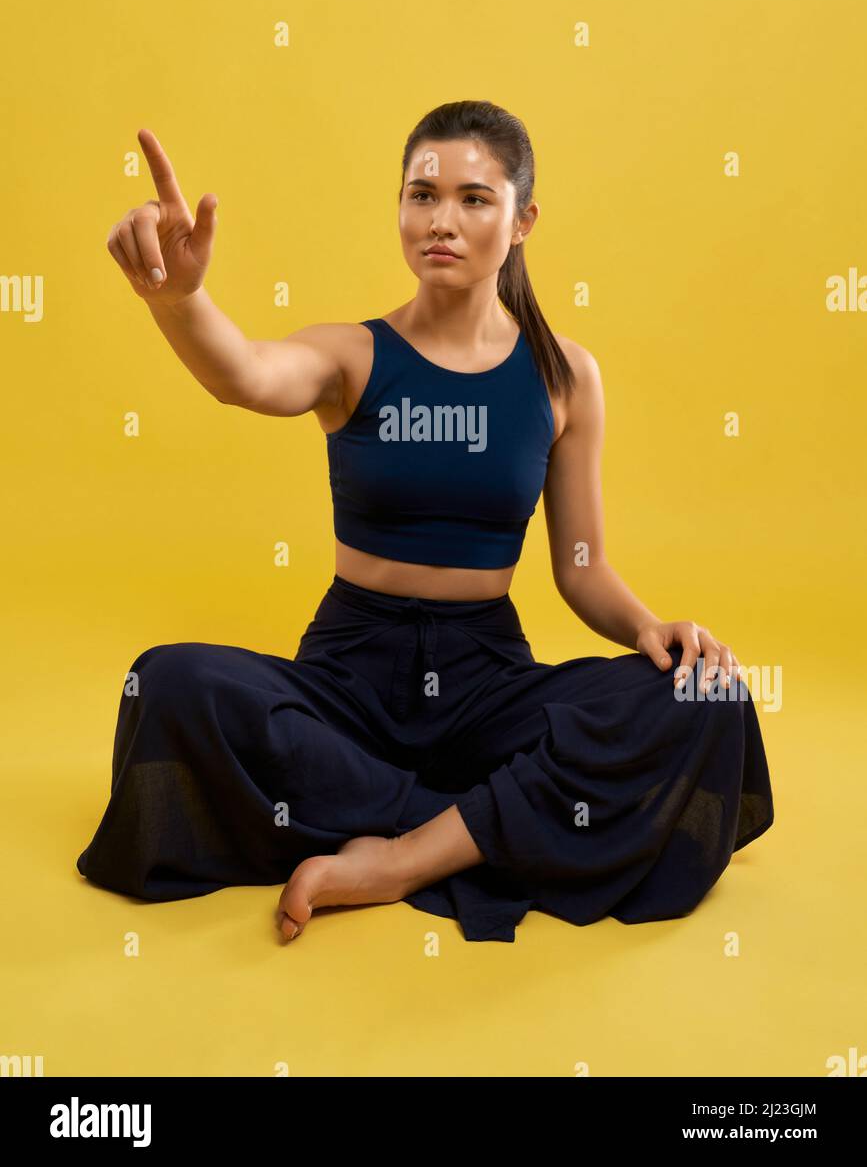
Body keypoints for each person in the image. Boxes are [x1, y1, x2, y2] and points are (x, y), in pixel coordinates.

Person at [77, 100, 774, 944]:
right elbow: (246, 376)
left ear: (522, 221)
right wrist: (177, 300)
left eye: (474, 198)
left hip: (487, 683)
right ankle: (485, 827)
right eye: (421, 194)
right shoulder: (351, 356)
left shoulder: (564, 376)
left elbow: (581, 565)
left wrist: (651, 629)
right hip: (347, 682)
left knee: (708, 692)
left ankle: (398, 857)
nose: (441, 220)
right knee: (170, 682)